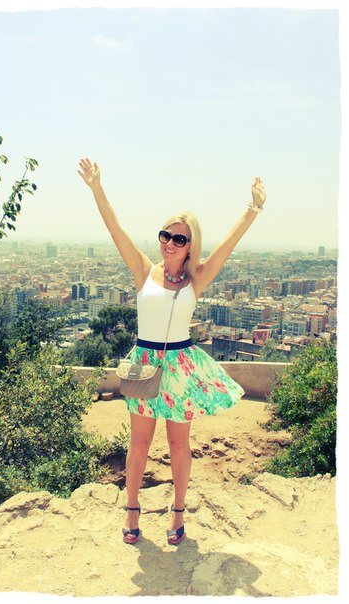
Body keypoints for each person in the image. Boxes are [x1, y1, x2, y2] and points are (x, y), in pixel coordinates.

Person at [77, 158, 266, 545]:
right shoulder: (143, 270)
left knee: (179, 444)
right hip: (144, 364)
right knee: (139, 444)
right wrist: (97, 187)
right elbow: (115, 229)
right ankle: (132, 509)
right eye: (166, 235)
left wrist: (253, 208)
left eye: (179, 239)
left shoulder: (197, 278)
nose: (170, 243)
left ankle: (177, 512)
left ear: (190, 245)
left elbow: (228, 246)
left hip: (180, 365)